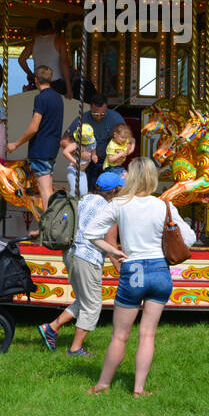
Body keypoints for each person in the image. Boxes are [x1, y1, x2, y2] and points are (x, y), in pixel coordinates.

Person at [83, 157, 196, 396]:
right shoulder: (164, 206)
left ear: (131, 177)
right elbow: (190, 238)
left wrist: (113, 250)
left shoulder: (120, 204)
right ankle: (138, 388)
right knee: (148, 334)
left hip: (132, 270)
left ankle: (103, 384)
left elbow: (90, 232)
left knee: (120, 335)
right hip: (160, 271)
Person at [38, 171, 125, 356]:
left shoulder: (85, 199)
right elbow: (110, 241)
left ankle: (51, 328)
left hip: (71, 253)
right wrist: (120, 268)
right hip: (88, 257)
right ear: (114, 190)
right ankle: (75, 349)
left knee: (83, 301)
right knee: (93, 305)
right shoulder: (108, 208)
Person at [7, 65, 64, 214]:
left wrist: (16, 144)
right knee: (48, 187)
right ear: (51, 79)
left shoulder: (41, 98)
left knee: (45, 191)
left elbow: (34, 127)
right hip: (52, 148)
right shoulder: (58, 97)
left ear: (36, 80)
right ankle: (50, 224)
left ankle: (49, 227)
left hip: (41, 149)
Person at [65, 94, 127, 192]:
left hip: (108, 162)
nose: (99, 117)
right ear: (90, 107)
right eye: (96, 114)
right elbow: (64, 141)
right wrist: (79, 153)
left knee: (118, 186)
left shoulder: (115, 118)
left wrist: (125, 151)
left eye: (102, 114)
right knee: (86, 191)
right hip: (88, 163)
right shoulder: (83, 118)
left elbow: (129, 139)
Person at [19, 18, 74, 100]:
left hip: (39, 84)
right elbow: (64, 63)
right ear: (51, 28)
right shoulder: (59, 40)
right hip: (56, 83)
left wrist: (31, 74)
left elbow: (21, 60)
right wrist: (69, 88)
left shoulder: (33, 42)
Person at [61, 123, 96, 198]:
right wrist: (75, 161)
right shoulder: (76, 144)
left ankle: (79, 208)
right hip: (73, 169)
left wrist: (94, 156)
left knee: (84, 192)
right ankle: (70, 206)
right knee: (74, 190)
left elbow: (93, 150)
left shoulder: (92, 142)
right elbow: (65, 152)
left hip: (82, 170)